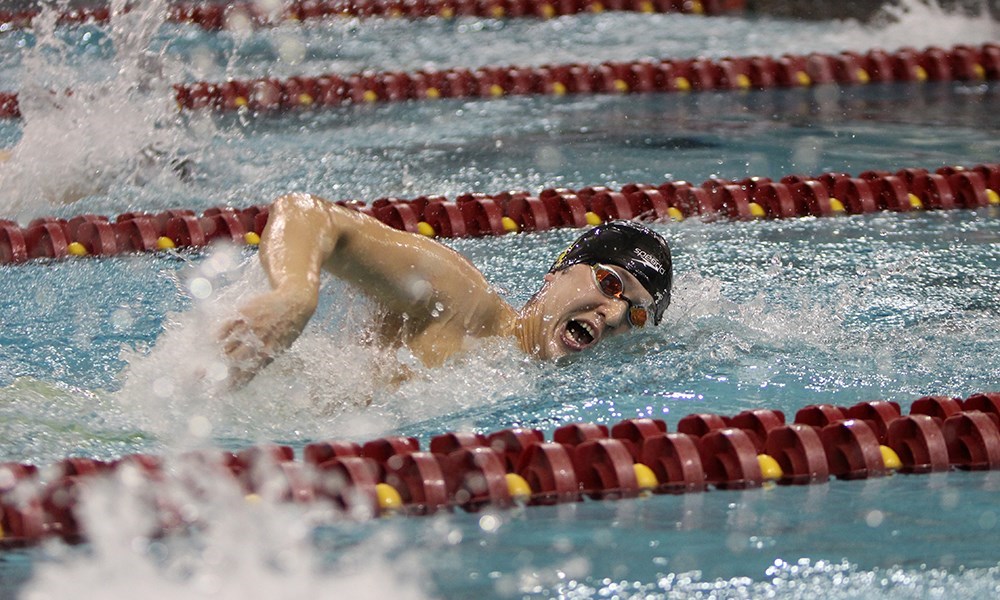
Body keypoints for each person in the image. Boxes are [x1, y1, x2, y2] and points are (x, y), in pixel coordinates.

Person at [219, 192, 673, 387]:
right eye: (611, 283)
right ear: (558, 272)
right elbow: (308, 214)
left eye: (634, 313)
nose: (613, 315)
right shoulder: (455, 298)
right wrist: (295, 295)